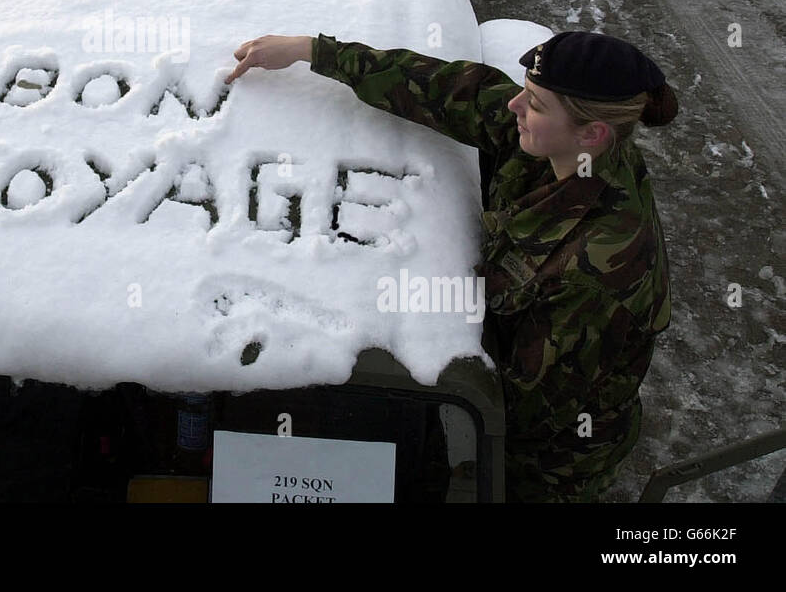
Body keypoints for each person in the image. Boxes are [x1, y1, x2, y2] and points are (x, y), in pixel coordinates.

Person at [225, 30, 677, 503]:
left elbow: (522, 409)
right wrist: (311, 51)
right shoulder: (564, 150)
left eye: (536, 104)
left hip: (544, 465)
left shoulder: (600, 270)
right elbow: (449, 90)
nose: (515, 106)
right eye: (525, 90)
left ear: (592, 133)